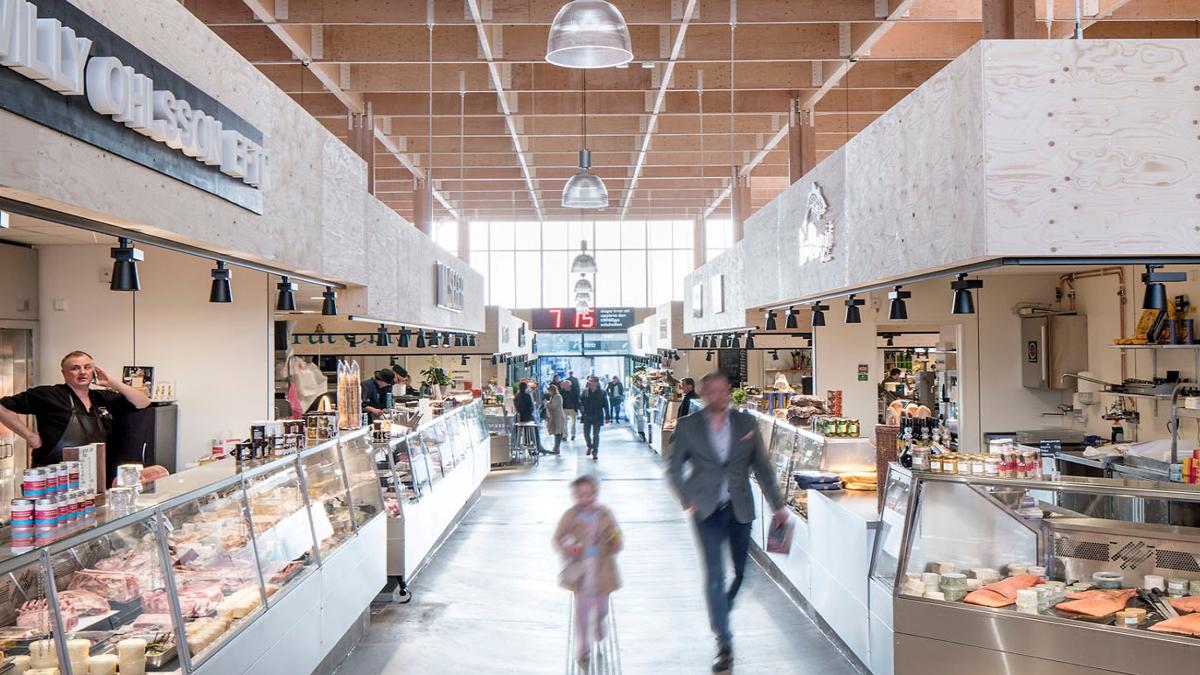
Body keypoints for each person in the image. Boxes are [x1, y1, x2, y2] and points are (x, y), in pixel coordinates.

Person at [667, 370, 787, 673]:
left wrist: (778, 505)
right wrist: (685, 495)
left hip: (739, 508)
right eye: (711, 392)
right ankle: (724, 641)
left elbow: (761, 466)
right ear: (704, 394)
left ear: (729, 392)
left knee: (741, 572)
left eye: (722, 391)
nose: (717, 397)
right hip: (705, 509)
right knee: (715, 575)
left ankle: (720, 608)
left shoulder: (746, 423)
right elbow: (673, 467)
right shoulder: (689, 425)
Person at [0, 351, 151, 467]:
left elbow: (143, 402)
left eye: (87, 367)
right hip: (56, 474)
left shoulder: (102, 397)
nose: (82, 372)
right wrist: (30, 436)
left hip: (95, 473)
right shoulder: (48, 395)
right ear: (64, 373)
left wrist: (110, 382)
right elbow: (3, 407)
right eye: (75, 368)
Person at [553, 474, 623, 668]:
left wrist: (615, 542)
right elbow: (558, 537)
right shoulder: (570, 516)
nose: (585, 499)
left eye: (589, 494)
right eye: (580, 496)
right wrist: (568, 547)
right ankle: (583, 647)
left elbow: (616, 535)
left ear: (596, 494)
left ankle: (600, 622)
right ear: (575, 497)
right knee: (582, 611)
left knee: (601, 606)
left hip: (603, 569)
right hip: (580, 571)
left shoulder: (605, 515)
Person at [514, 381, 548, 454]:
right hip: (528, 417)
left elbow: (517, 407)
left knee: (527, 432)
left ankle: (529, 446)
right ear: (525, 388)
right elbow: (531, 406)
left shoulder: (516, 396)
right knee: (534, 430)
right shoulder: (527, 395)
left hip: (521, 418)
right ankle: (538, 447)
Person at [579, 376, 608, 459]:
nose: (590, 383)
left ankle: (595, 451)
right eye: (589, 381)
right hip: (587, 415)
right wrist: (581, 410)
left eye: (592, 382)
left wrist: (607, 417)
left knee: (596, 435)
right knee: (586, 434)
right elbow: (581, 402)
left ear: (596, 383)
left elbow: (606, 405)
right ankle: (589, 445)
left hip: (597, 416)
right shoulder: (585, 392)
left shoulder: (602, 393)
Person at [544, 384, 566, 455]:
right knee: (556, 432)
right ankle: (556, 448)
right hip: (555, 417)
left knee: (558, 432)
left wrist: (546, 403)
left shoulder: (557, 396)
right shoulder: (553, 397)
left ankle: (556, 448)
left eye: (549, 391)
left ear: (553, 390)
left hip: (558, 417)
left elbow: (553, 406)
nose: (549, 392)